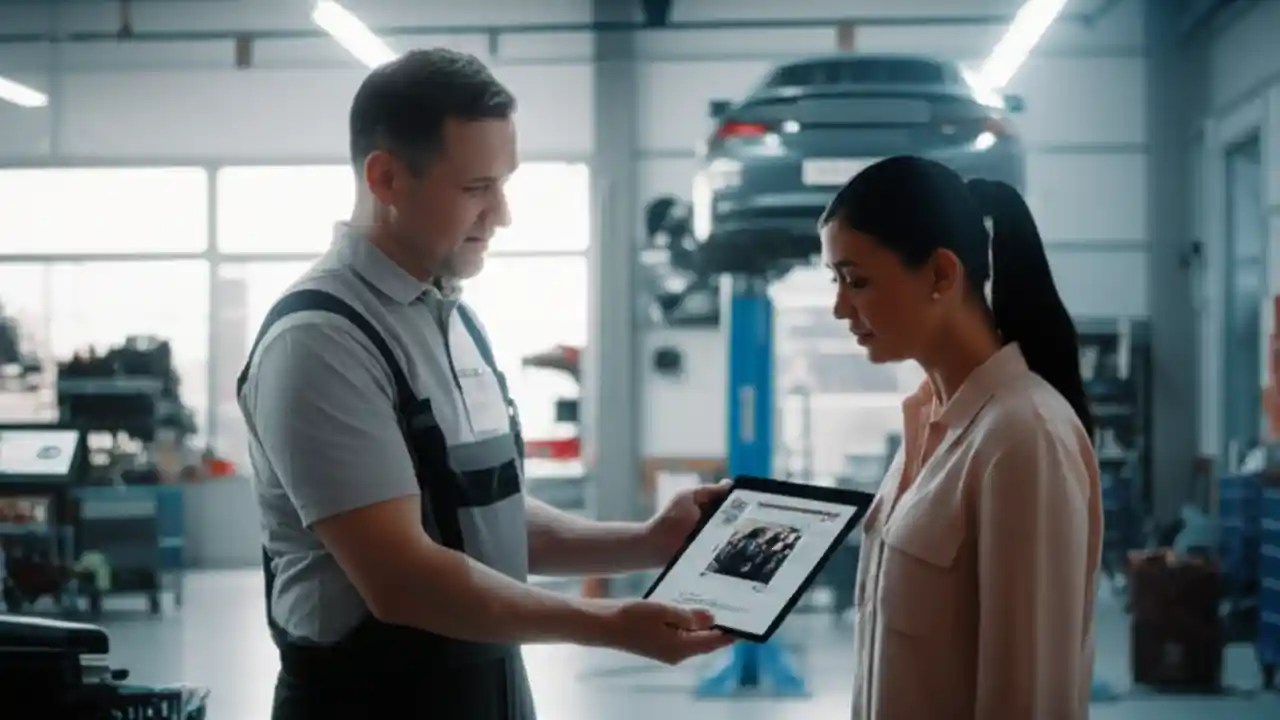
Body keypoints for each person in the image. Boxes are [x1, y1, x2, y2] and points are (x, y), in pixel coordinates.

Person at [236, 48, 733, 720]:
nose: (501, 215)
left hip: (490, 687)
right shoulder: (321, 342)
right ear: (385, 178)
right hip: (373, 702)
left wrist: (644, 541)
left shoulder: (452, 318)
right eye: (476, 188)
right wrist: (608, 624)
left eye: (505, 184)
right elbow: (405, 580)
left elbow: (476, 515)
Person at [818, 156, 1103, 719]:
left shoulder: (1023, 437)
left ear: (941, 276)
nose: (839, 308)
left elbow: (1027, 699)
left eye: (857, 281)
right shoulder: (928, 424)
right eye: (836, 282)